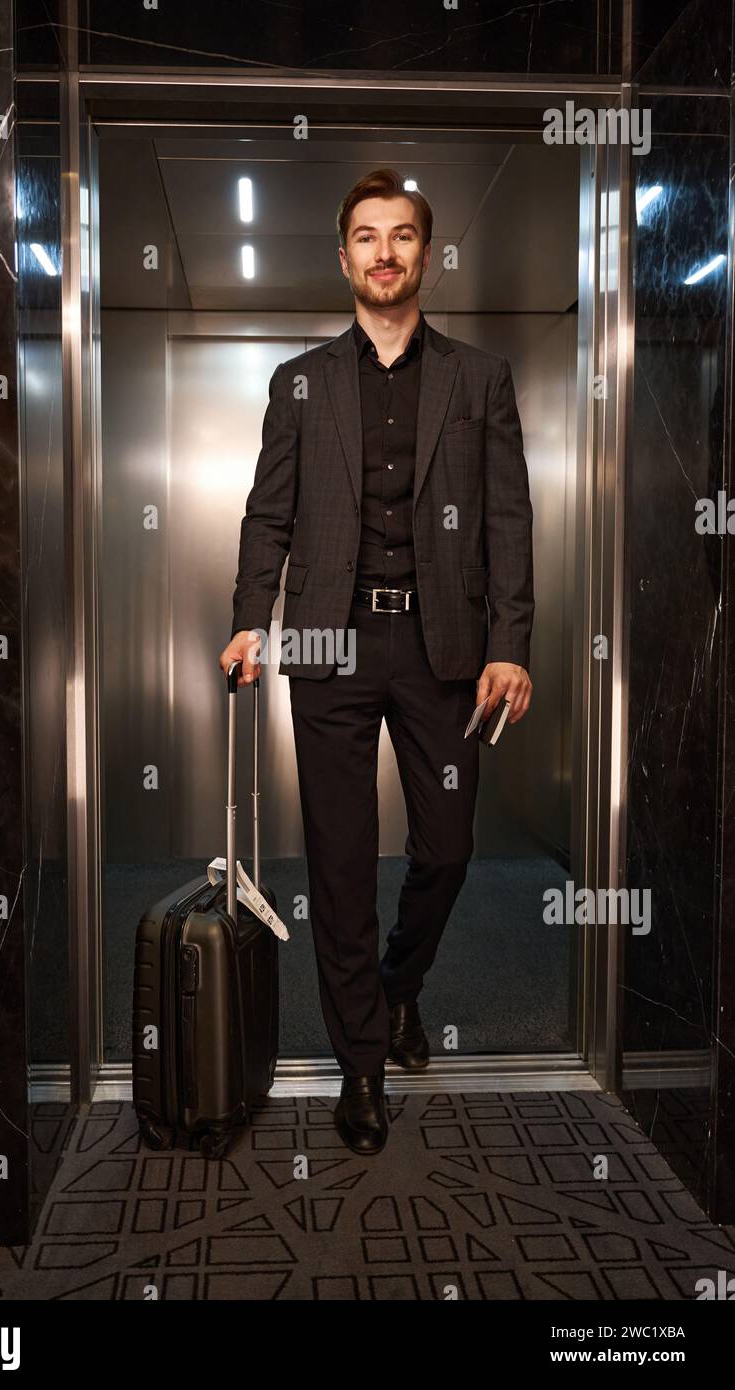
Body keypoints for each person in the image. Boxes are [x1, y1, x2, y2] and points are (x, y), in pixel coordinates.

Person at [219, 168, 534, 1154]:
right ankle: (360, 1066)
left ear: (424, 256)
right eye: (366, 236)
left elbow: (507, 521)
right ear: (342, 256)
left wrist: (508, 644)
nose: (383, 251)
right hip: (329, 642)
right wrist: (247, 618)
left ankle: (399, 989)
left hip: (443, 649)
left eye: (401, 235)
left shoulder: (478, 379)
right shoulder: (300, 382)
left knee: (444, 849)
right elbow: (267, 513)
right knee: (341, 861)